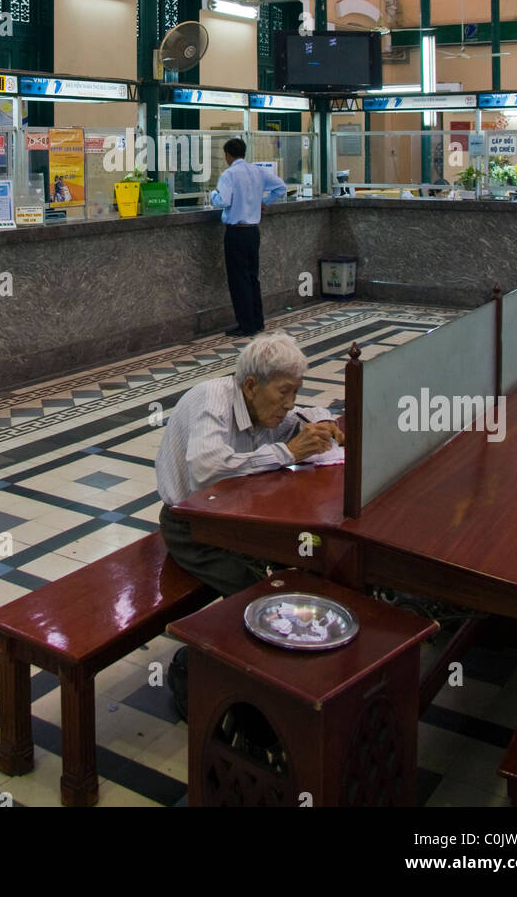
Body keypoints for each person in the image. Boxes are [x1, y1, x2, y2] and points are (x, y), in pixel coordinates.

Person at [157, 331, 343, 718]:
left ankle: (274, 674)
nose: (289, 403)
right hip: (192, 527)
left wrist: (321, 424)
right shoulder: (213, 401)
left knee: (302, 566)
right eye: (284, 392)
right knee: (256, 595)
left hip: (235, 519)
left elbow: (302, 416)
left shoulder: (263, 403)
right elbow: (208, 469)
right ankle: (192, 674)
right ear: (252, 384)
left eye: (296, 391)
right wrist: (287, 452)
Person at [211, 138, 286, 336]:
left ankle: (246, 325)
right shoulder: (257, 171)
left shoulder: (229, 175)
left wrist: (212, 195)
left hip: (236, 232)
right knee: (252, 277)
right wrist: (265, 202)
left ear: (228, 155)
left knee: (238, 279)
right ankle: (257, 321)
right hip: (253, 231)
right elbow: (281, 187)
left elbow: (223, 201)